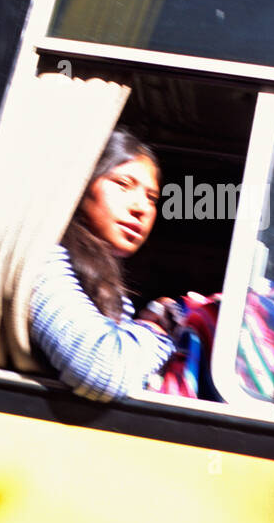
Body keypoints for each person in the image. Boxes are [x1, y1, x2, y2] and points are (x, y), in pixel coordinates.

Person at [29, 129, 179, 401]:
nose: (141, 208)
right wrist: (156, 329)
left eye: (152, 198)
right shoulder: (40, 257)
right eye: (123, 184)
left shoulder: (100, 278)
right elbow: (103, 373)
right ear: (82, 184)